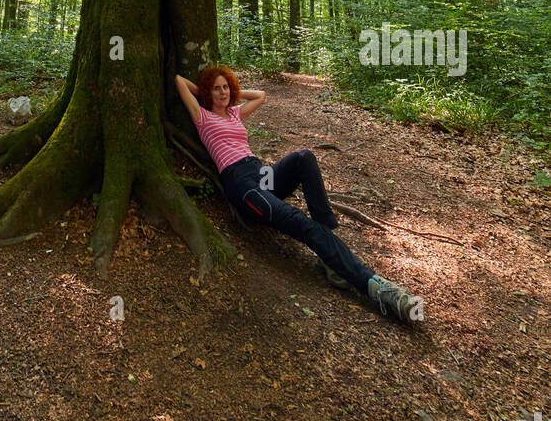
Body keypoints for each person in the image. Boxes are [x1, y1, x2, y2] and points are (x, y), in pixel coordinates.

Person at [175, 65, 421, 324]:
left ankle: (329, 251)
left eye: (226, 87)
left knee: (304, 157)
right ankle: (373, 285)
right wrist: (204, 92)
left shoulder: (235, 113)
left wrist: (231, 94)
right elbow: (180, 79)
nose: (222, 92)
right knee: (300, 222)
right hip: (242, 185)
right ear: (206, 92)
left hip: (262, 173)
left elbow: (260, 95)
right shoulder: (202, 117)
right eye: (216, 88)